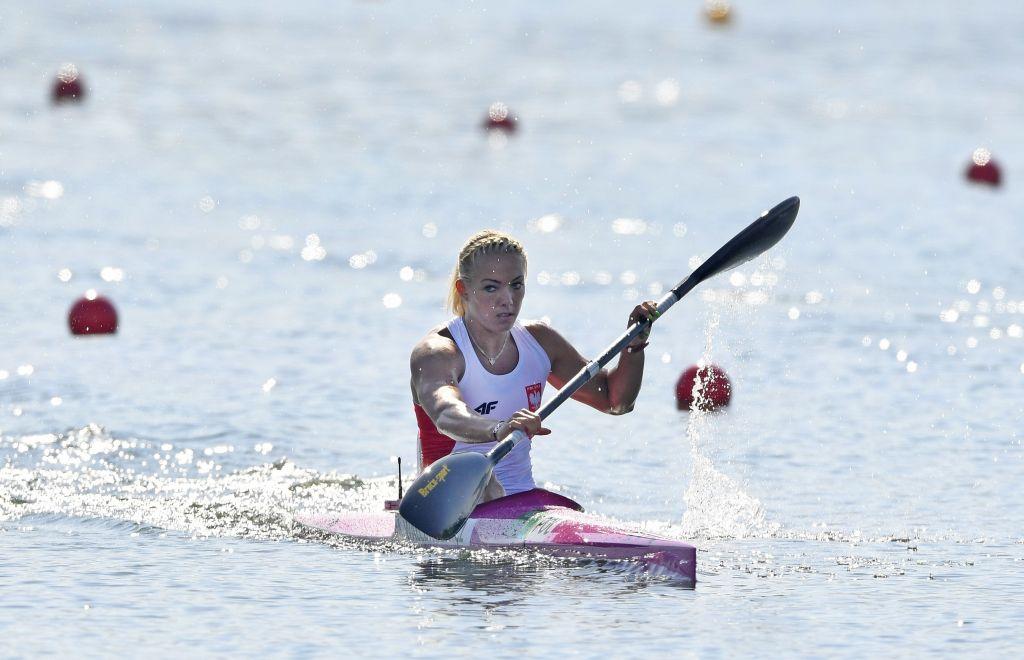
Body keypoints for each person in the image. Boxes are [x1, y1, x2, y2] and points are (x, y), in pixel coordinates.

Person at [410, 229, 658, 501]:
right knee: (489, 487)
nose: (508, 300)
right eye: (491, 287)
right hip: (445, 504)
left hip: (520, 503)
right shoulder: (438, 352)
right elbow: (446, 414)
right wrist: (499, 428)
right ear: (463, 289)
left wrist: (633, 347)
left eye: (516, 285)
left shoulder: (540, 343)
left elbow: (615, 401)